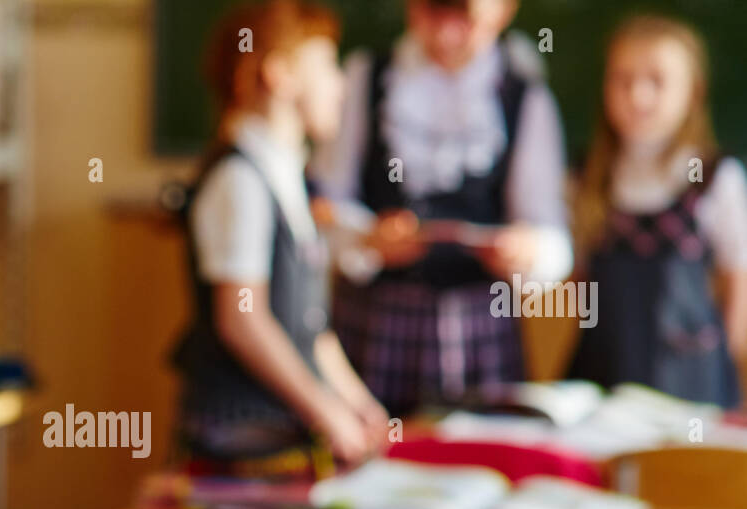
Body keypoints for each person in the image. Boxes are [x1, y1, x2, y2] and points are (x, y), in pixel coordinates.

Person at [315, 0, 572, 416]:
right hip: (374, 327)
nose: (446, 35)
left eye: (466, 18)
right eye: (432, 12)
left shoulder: (524, 94)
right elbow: (324, 208)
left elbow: (551, 236)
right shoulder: (366, 77)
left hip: (482, 332)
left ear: (502, 10)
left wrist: (528, 252)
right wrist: (367, 240)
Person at [172, 0, 387, 477]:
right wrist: (325, 411)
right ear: (279, 74)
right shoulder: (240, 179)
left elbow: (312, 329)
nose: (340, 85)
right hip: (237, 445)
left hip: (279, 439)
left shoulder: (288, 176)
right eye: (327, 65)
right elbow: (242, 319)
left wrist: (359, 405)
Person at [567, 14, 747, 408]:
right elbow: (576, 287)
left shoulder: (716, 178)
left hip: (692, 386)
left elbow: (738, 288)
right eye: (623, 79)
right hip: (604, 382)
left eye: (657, 81)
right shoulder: (585, 178)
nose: (638, 96)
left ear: (693, 92)